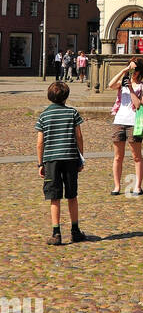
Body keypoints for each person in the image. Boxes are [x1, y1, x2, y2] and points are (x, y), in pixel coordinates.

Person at [35, 81, 87, 245]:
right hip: (70, 158)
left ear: (49, 97)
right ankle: (75, 230)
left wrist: (40, 163)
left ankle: (56, 233)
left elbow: (40, 143)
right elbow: (79, 136)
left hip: (51, 160)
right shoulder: (72, 113)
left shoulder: (44, 115)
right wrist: (81, 157)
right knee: (72, 195)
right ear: (66, 96)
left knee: (54, 197)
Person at [108, 59, 143, 196]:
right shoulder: (122, 84)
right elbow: (110, 85)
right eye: (131, 70)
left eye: (135, 70)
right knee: (118, 156)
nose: (133, 73)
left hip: (134, 123)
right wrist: (123, 71)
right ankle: (117, 186)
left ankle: (138, 186)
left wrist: (131, 89)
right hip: (119, 121)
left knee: (136, 156)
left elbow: (139, 105)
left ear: (140, 72)